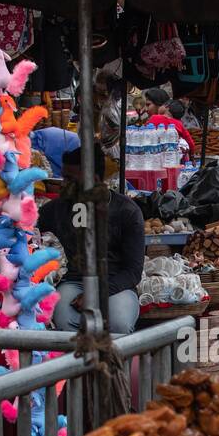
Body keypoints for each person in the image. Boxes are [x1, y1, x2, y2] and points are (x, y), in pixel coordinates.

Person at [44, 144, 144, 334]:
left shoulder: (127, 212)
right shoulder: (60, 208)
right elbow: (29, 223)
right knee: (65, 321)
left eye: (70, 179)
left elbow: (133, 271)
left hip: (116, 286)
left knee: (118, 324)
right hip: (74, 282)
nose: (63, 184)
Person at [141, 87, 196, 159]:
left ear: (162, 105)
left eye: (148, 105)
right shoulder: (179, 123)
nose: (145, 109)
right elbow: (190, 142)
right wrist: (192, 156)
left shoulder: (154, 119)